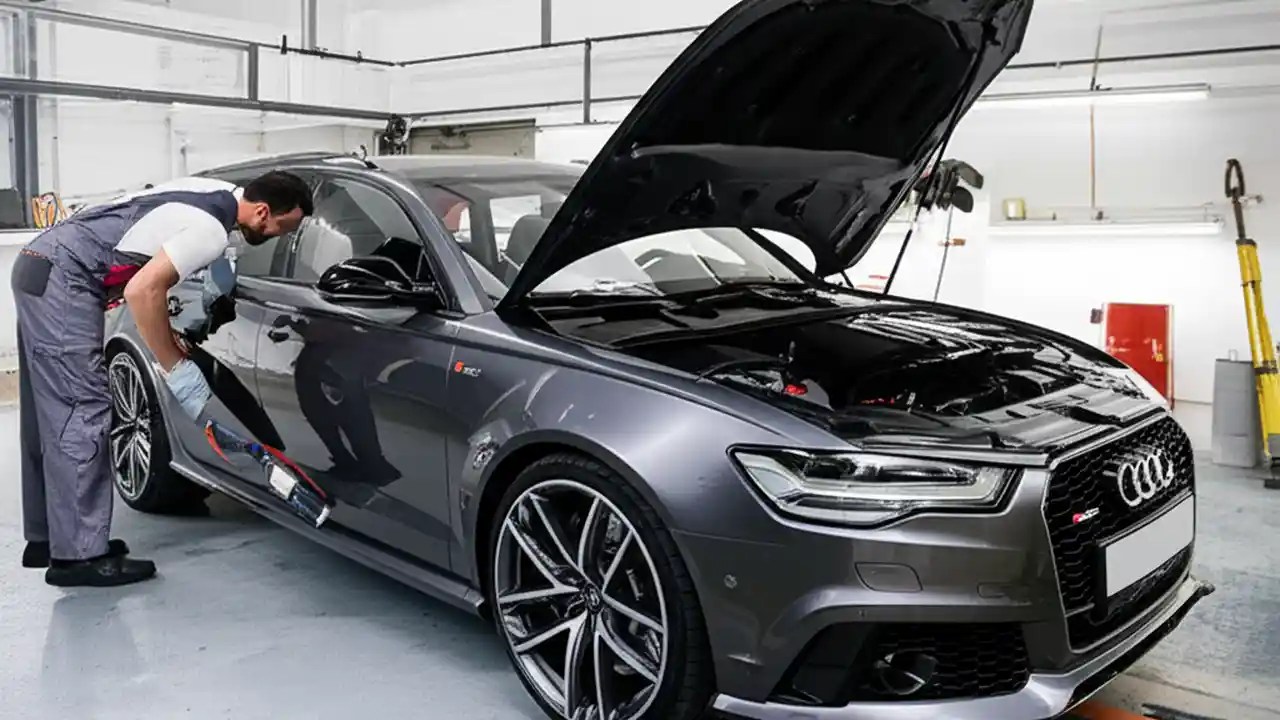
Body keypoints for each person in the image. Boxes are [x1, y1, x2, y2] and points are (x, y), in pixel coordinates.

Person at [11, 171, 313, 587]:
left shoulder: (215, 192)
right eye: (283, 227)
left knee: (50, 411)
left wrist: (173, 328)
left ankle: (53, 538)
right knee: (82, 412)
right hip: (68, 276)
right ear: (263, 212)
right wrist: (174, 365)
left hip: (43, 263)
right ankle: (79, 558)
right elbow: (142, 291)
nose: (278, 235)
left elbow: (156, 247)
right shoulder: (209, 229)